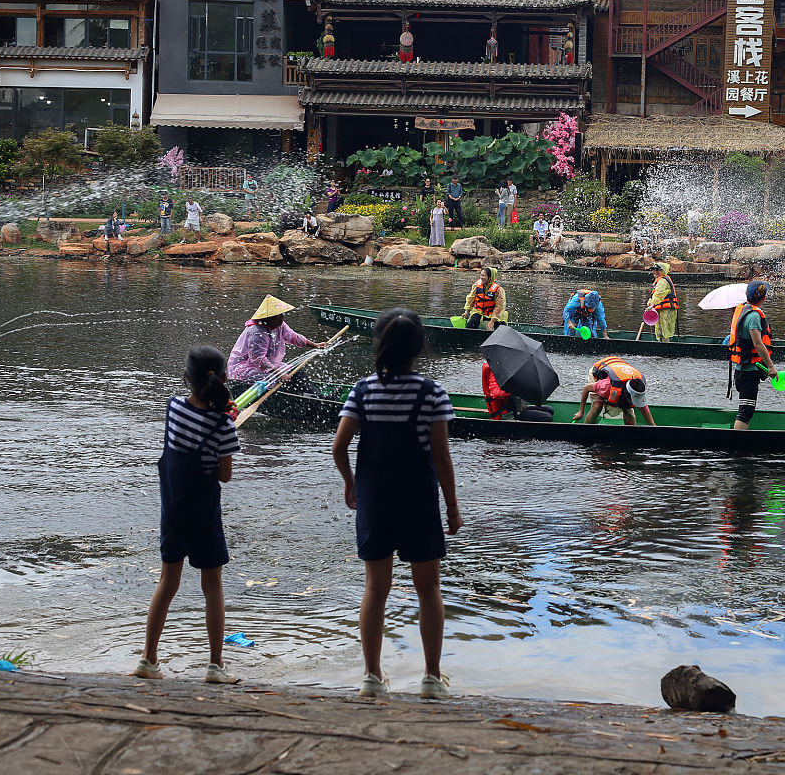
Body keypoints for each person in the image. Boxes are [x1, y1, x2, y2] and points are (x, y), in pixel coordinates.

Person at [330, 308, 462, 700]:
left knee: (376, 587)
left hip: (375, 499)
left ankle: (372, 675)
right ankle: (432, 678)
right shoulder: (432, 393)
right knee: (429, 589)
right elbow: (441, 457)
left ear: (379, 344)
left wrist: (351, 483)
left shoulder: (363, 390)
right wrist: (452, 506)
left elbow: (339, 447)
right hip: (419, 501)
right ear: (419, 347)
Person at [132, 345, 241, 684]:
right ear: (224, 379)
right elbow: (224, 475)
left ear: (188, 379)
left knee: (168, 582)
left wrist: (222, 416)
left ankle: (148, 659)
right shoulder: (223, 426)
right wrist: (227, 420)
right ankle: (215, 666)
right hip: (203, 516)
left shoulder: (173, 408)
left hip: (172, 513)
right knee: (213, 587)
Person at [227, 295, 329, 395]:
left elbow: (293, 337)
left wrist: (314, 345)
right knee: (279, 381)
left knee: (295, 372)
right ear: (268, 317)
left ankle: (317, 395)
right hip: (245, 369)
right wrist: (279, 374)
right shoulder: (257, 331)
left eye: (281, 314)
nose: (282, 317)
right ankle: (298, 396)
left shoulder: (279, 325)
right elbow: (258, 359)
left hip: (267, 366)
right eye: (278, 315)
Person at [725, 280, 778, 430]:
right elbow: (758, 344)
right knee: (745, 412)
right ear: (764, 297)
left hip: (741, 369)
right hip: (748, 372)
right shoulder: (754, 316)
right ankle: (739, 448)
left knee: (745, 409)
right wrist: (771, 366)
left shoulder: (742, 309)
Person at [572, 356, 657, 426]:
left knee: (629, 411)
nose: (635, 403)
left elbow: (646, 413)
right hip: (599, 370)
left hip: (619, 366)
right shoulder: (606, 386)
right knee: (597, 405)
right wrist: (581, 412)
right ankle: (588, 430)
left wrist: (654, 427)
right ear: (626, 395)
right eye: (633, 400)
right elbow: (586, 388)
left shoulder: (638, 389)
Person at [481, 361, 554, 422]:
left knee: (549, 409)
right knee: (547, 417)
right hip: (505, 413)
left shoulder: (506, 367)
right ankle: (529, 435)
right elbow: (497, 394)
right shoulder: (494, 370)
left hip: (515, 408)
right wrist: (515, 390)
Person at [645, 262, 678, 342]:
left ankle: (665, 349)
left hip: (666, 311)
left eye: (658, 270)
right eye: (654, 270)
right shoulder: (660, 280)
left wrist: (652, 304)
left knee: (664, 331)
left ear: (663, 271)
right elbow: (655, 295)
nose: (655, 272)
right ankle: (663, 346)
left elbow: (659, 294)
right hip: (662, 310)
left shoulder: (663, 281)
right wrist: (650, 303)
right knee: (661, 330)